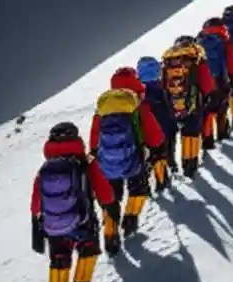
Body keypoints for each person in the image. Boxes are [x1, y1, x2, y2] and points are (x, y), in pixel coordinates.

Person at [31, 121, 116, 282]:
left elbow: (36, 201)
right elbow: (104, 191)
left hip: (53, 225)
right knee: (89, 251)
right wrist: (110, 204)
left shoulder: (45, 169)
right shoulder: (85, 163)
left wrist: (37, 223)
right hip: (82, 222)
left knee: (59, 260)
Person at [89, 68, 165, 253]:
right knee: (139, 189)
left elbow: (94, 139)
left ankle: (110, 234)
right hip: (134, 160)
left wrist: (95, 155)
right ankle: (130, 218)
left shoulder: (103, 107)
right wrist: (157, 146)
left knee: (111, 199)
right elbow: (154, 136)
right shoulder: (137, 104)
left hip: (107, 163)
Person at [161, 35, 216, 179]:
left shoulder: (168, 62)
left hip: (172, 105)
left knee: (178, 133)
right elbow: (208, 85)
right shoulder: (197, 60)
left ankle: (175, 165)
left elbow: (162, 84)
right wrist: (207, 96)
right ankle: (190, 165)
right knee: (191, 134)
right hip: (194, 104)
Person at [199, 18, 233, 148]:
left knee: (207, 110)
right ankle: (222, 133)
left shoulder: (199, 41)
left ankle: (207, 139)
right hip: (220, 79)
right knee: (221, 107)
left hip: (203, 81)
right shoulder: (224, 41)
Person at [136, 57, 177, 193]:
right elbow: (169, 110)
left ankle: (149, 178)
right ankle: (162, 179)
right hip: (163, 129)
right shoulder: (161, 89)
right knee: (161, 154)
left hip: (145, 131)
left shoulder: (138, 92)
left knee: (150, 154)